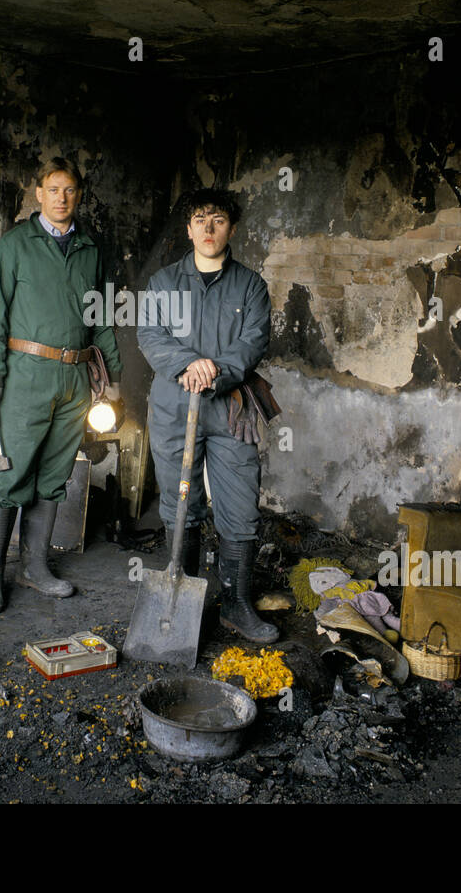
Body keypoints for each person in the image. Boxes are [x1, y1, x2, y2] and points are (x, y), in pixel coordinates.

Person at [0, 158, 122, 613]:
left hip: (74, 378)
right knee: (7, 472)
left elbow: (102, 318)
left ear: (79, 195)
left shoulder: (91, 249)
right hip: (25, 374)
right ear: (39, 193)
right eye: (53, 189)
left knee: (54, 474)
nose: (62, 198)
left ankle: (34, 568)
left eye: (70, 190)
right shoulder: (16, 245)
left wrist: (111, 378)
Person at [137, 188, 277, 643]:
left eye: (218, 220)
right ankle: (188, 603)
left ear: (231, 228)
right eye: (200, 219)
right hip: (175, 408)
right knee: (182, 504)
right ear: (189, 228)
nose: (209, 228)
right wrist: (187, 365)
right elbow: (151, 336)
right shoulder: (163, 284)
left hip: (230, 407)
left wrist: (215, 371)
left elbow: (253, 341)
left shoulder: (251, 286)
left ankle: (236, 605)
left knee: (240, 506)